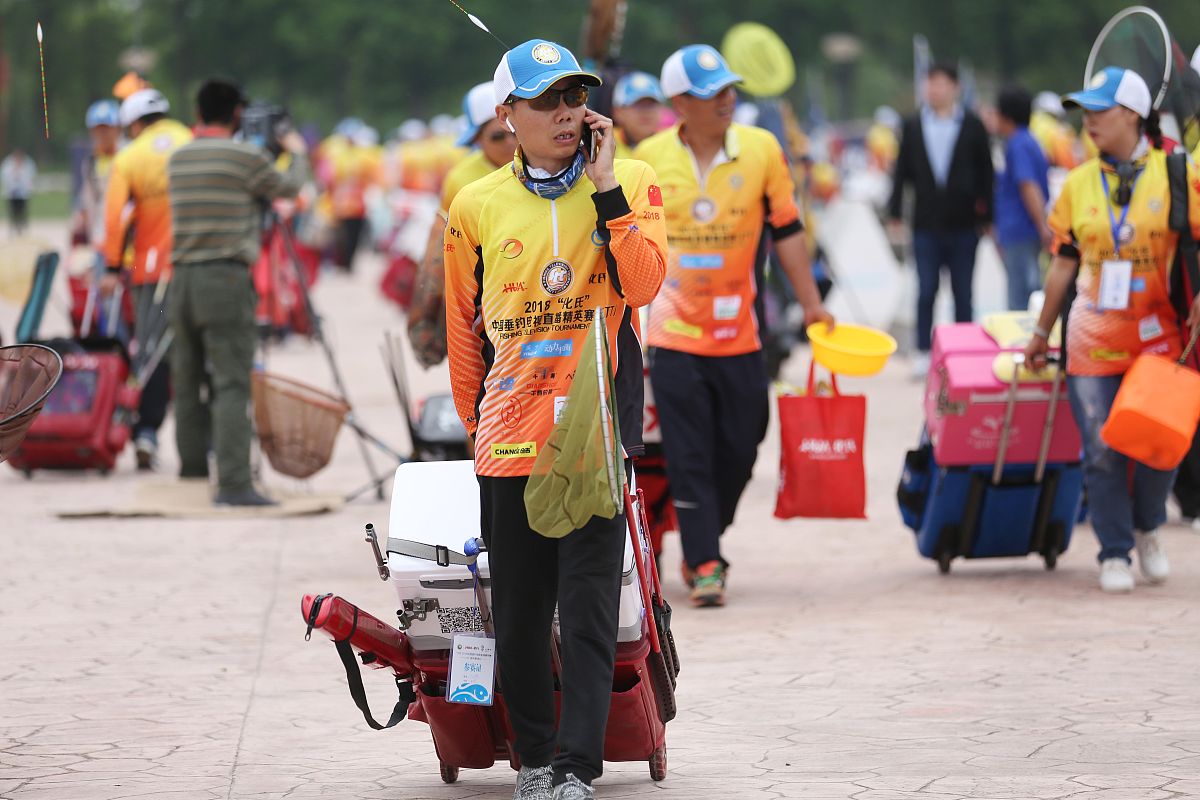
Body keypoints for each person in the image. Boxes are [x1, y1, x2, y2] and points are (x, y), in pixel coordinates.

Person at [444, 38, 667, 800]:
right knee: (522, 608)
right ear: (508, 115)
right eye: (546, 101)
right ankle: (533, 760)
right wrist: (475, 429)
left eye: (575, 96)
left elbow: (642, 285)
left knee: (590, 608)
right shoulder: (474, 205)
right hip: (507, 437)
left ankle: (577, 767)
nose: (567, 112)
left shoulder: (631, 179)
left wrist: (606, 190)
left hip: (592, 442)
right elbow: (462, 335)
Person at [634, 44, 833, 608]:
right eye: (711, 93)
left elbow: (788, 231)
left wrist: (811, 304)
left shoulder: (763, 150)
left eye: (728, 88)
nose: (726, 99)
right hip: (672, 336)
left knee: (743, 444)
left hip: (743, 335)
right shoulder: (645, 159)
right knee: (688, 452)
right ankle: (704, 561)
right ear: (679, 103)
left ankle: (704, 530)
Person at [1024, 67, 1200, 593]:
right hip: (1089, 339)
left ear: (1131, 114)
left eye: (1100, 110)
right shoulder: (1077, 184)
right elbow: (1062, 264)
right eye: (1085, 111)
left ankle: (1149, 526)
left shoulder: (1178, 173)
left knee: (1157, 445)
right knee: (1101, 449)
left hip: (1159, 337)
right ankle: (1115, 550)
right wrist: (1040, 332)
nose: (1090, 122)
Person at [167, 78, 310, 506]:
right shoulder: (245, 157)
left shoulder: (178, 159)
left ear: (197, 113)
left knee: (187, 377)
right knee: (230, 383)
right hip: (224, 280)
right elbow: (288, 188)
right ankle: (233, 484)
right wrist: (296, 150)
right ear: (235, 115)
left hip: (182, 281)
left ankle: (192, 471)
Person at [101, 89, 194, 468]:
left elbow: (115, 219)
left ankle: (147, 434)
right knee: (193, 353)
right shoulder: (191, 143)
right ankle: (203, 444)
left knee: (152, 355)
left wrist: (110, 267)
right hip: (195, 267)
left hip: (151, 271)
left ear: (135, 124)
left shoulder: (129, 157)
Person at [888, 61, 994, 378]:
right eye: (930, 83)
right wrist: (894, 212)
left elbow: (986, 173)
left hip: (964, 223)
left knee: (963, 291)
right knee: (926, 289)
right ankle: (923, 351)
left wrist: (988, 215)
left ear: (955, 87)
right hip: (925, 222)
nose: (935, 90)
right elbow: (900, 172)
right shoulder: (912, 125)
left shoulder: (973, 125)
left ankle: (964, 351)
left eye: (941, 83)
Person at [408, 81, 515, 368]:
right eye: (496, 136)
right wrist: (428, 312)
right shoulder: (461, 178)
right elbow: (441, 251)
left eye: (514, 133)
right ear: (476, 140)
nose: (510, 142)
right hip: (487, 299)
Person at [993, 86, 1050, 311]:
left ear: (1005, 115)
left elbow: (1028, 186)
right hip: (1022, 230)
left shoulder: (1018, 144)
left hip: (1021, 230)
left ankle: (1020, 344)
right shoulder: (1028, 141)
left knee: (1021, 296)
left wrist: (1042, 225)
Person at [73, 101, 121, 252]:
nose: (102, 135)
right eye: (97, 130)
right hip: (99, 238)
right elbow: (87, 199)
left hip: (123, 240)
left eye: (107, 129)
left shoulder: (127, 157)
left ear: (117, 129)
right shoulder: (91, 162)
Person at [610, 71, 665, 157]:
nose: (646, 112)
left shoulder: (674, 146)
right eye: (638, 105)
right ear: (618, 112)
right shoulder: (603, 145)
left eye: (651, 104)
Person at [1, 149, 36, 236]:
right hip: (11, 195)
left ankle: (21, 228)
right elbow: (6, 179)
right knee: (13, 212)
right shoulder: (8, 166)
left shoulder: (27, 166)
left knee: (22, 212)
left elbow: (29, 180)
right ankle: (14, 228)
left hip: (22, 195)